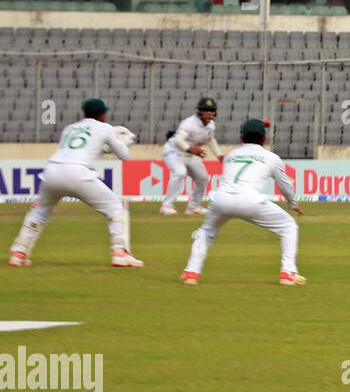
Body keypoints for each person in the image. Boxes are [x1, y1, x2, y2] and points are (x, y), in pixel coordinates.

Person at [8, 98, 143, 268]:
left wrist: (103, 148)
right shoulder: (105, 128)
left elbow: (79, 150)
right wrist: (119, 143)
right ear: (102, 115)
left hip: (52, 171)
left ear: (84, 113)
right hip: (78, 173)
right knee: (115, 208)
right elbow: (125, 156)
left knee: (39, 212)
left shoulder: (69, 128)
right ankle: (120, 253)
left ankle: (19, 253)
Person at [181, 119, 307, 286]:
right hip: (250, 200)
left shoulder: (230, 156)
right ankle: (288, 272)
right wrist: (293, 204)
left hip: (221, 199)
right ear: (264, 139)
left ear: (241, 137)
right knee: (288, 226)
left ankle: (191, 272)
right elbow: (285, 184)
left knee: (206, 231)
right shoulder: (271, 157)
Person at [160, 98, 223, 215]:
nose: (209, 113)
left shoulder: (211, 125)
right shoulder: (189, 123)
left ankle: (193, 207)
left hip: (190, 154)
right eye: (205, 110)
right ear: (199, 111)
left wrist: (219, 155)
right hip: (174, 151)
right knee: (179, 172)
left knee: (203, 177)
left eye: (212, 110)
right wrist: (191, 149)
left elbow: (210, 140)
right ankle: (166, 206)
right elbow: (178, 140)